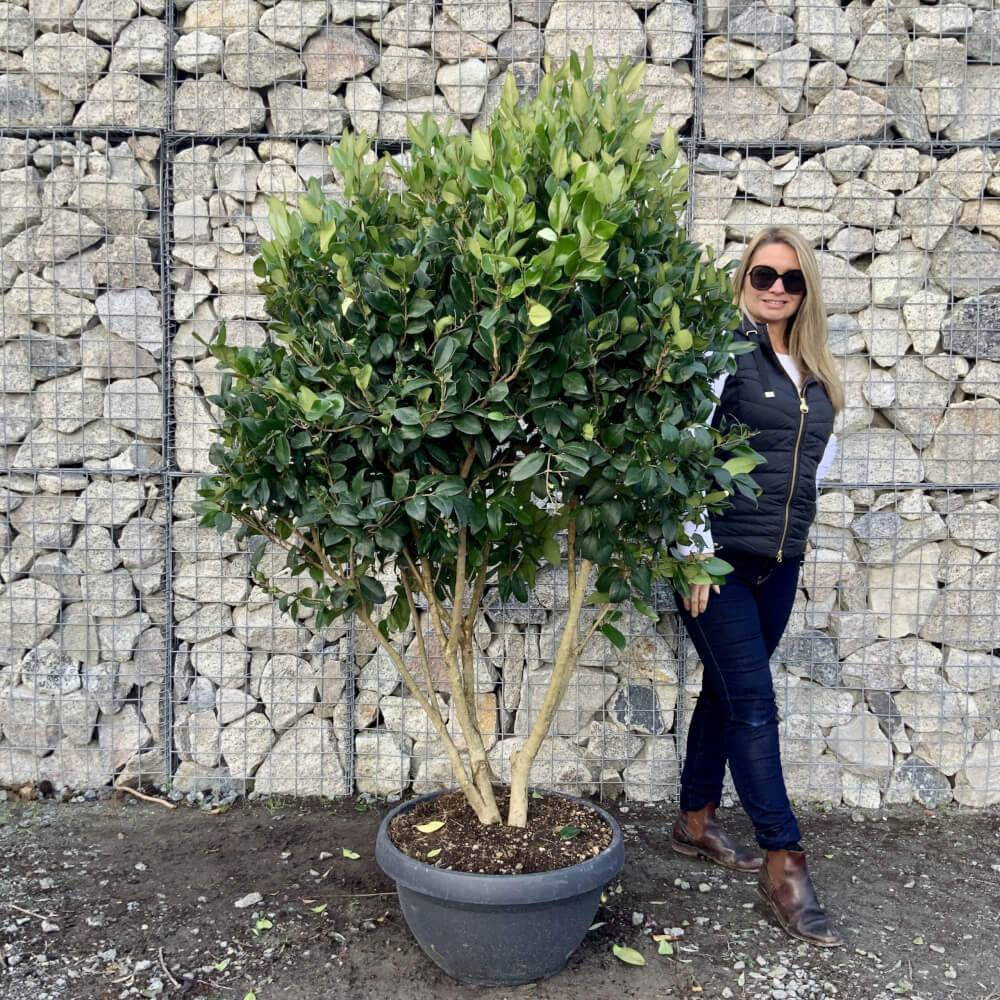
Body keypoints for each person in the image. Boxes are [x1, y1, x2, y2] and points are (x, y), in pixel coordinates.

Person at [670, 226, 844, 948]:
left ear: (806, 292)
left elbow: (819, 467)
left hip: (781, 565)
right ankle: (784, 859)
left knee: (727, 692)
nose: (775, 288)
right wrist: (691, 553)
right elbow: (680, 445)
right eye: (763, 274)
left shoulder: (818, 374)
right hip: (722, 565)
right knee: (755, 707)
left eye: (791, 279)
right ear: (743, 279)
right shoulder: (724, 356)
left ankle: (694, 817)